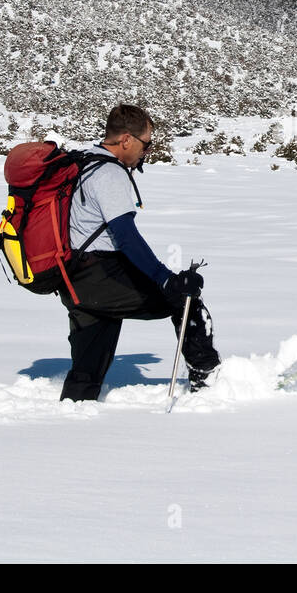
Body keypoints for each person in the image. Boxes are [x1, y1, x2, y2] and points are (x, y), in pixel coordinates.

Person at [57, 103, 220, 402]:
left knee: (85, 377)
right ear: (126, 140)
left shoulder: (83, 163)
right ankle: (208, 381)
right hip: (102, 276)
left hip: (74, 279)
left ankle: (72, 426)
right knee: (185, 301)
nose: (147, 151)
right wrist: (167, 281)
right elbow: (126, 237)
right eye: (147, 144)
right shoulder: (109, 174)